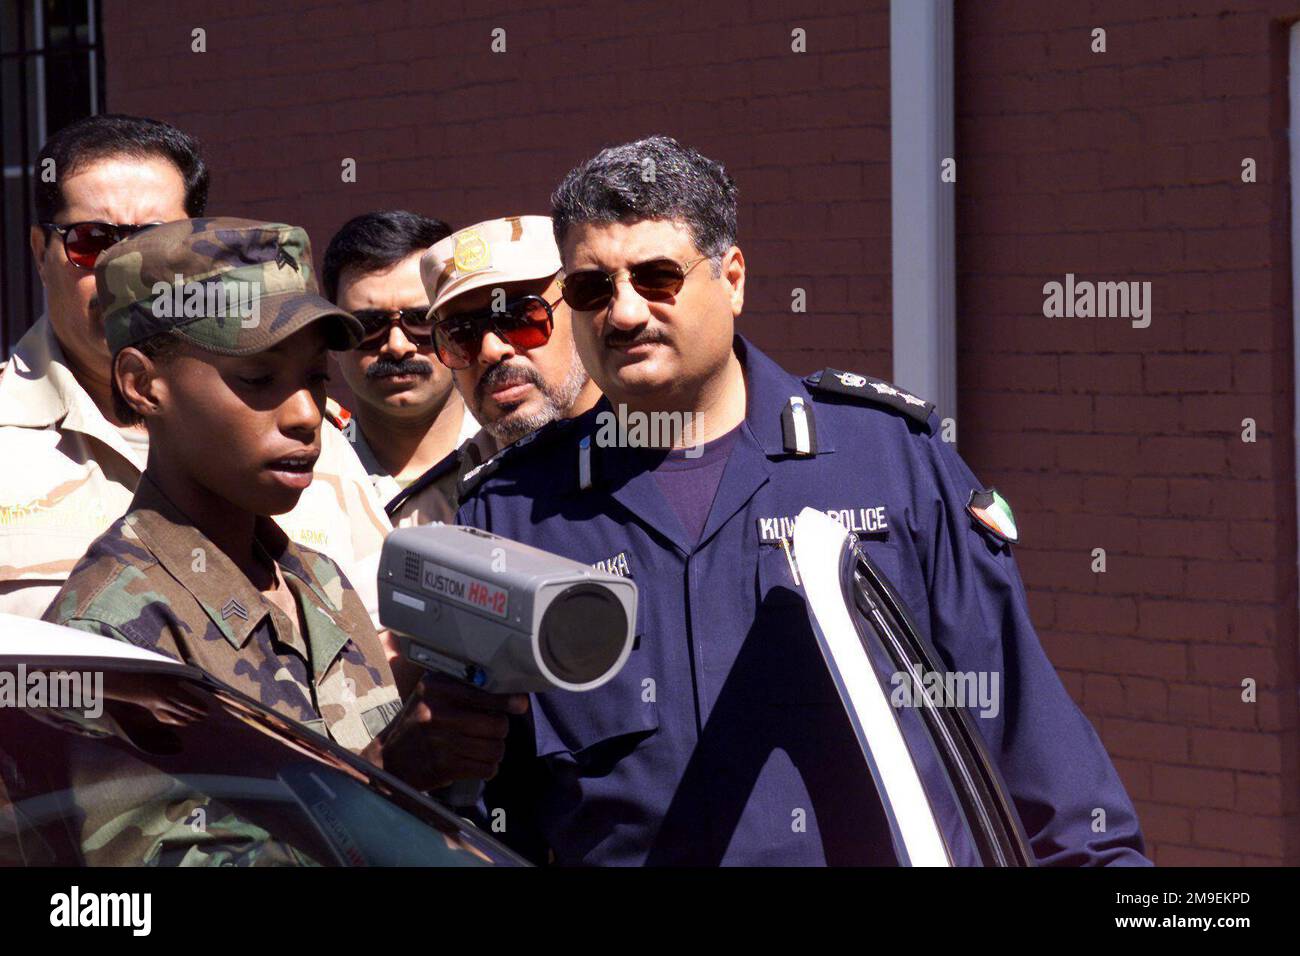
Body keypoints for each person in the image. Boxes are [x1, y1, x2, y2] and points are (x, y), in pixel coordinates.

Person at [445, 136, 1150, 866]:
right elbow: (484, 819)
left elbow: (1039, 760)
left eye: (657, 278)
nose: (623, 314)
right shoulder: (514, 516)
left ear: (732, 279)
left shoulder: (888, 463)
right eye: (594, 289)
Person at [42, 217, 520, 790]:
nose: (305, 415)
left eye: (315, 378)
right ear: (143, 385)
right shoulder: (109, 638)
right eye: (258, 378)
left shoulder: (318, 582)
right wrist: (389, 775)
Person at [0, 114, 392, 626]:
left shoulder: (310, 438)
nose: (121, 271)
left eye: (155, 240)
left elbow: (382, 635)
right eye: (92, 241)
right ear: (40, 252)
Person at [383, 215, 600, 521]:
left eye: (519, 318)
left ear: (580, 310)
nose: (490, 350)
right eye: (461, 334)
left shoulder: (659, 446)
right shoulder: (427, 517)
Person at [321, 211, 479, 527]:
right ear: (334, 340)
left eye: (420, 320)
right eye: (368, 325)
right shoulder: (305, 474)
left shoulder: (517, 459)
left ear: (458, 327)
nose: (397, 345)